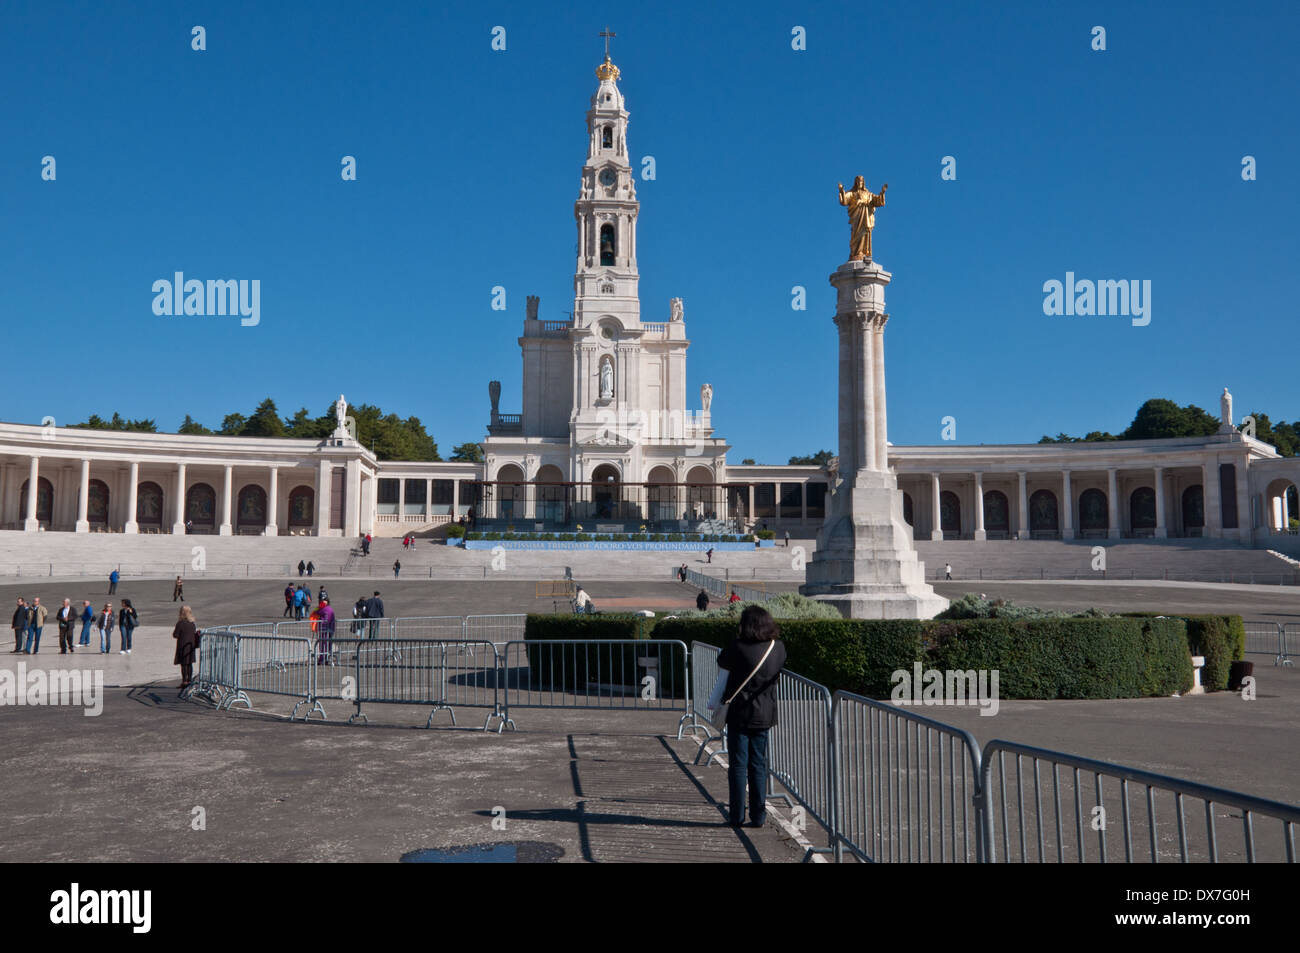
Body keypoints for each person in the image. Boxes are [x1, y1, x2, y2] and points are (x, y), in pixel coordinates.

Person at [710, 605, 787, 828]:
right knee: (758, 765)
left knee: (738, 766)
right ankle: (759, 816)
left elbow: (722, 661)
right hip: (764, 713)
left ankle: (736, 815)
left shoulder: (738, 646)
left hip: (739, 713)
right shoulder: (778, 647)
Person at [173, 605, 200, 693]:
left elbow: (175, 635)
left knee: (184, 664)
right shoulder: (192, 623)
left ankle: (184, 681)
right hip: (191, 645)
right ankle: (190, 680)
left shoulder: (180, 623)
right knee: (189, 663)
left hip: (182, 645)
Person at [316, 597, 336, 664]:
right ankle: (327, 658)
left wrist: (319, 607)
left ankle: (322, 659)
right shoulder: (330, 609)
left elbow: (317, 612)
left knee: (323, 644)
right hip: (331, 628)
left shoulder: (324, 609)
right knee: (328, 644)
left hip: (324, 628)